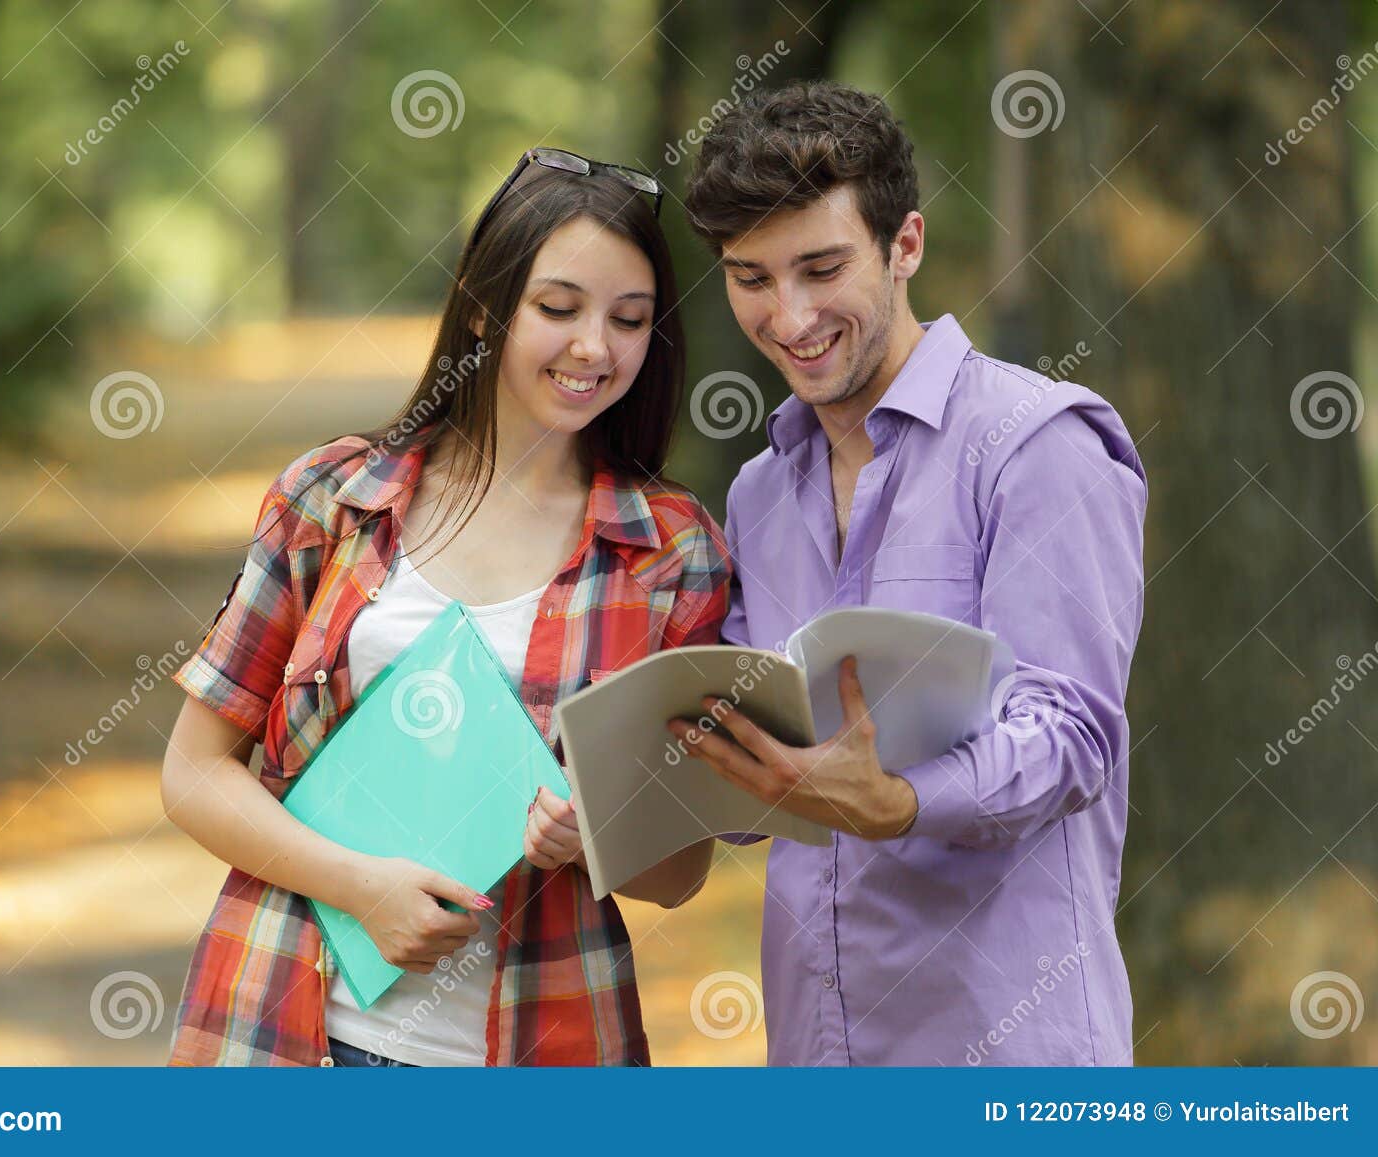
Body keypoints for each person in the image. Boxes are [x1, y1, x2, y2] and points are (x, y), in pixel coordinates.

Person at [161, 148, 731, 1067]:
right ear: (483, 305)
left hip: (536, 1041)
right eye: (558, 308)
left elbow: (681, 871)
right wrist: (359, 888)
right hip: (283, 1028)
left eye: (629, 320)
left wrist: (596, 837)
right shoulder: (332, 498)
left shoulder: (672, 553)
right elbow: (193, 773)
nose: (595, 346)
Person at [670, 81, 1147, 1066]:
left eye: (819, 266)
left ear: (906, 246)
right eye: (749, 277)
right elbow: (764, 777)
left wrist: (902, 801)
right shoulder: (759, 494)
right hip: (817, 1052)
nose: (787, 314)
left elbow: (1071, 733)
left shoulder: (1034, 447)